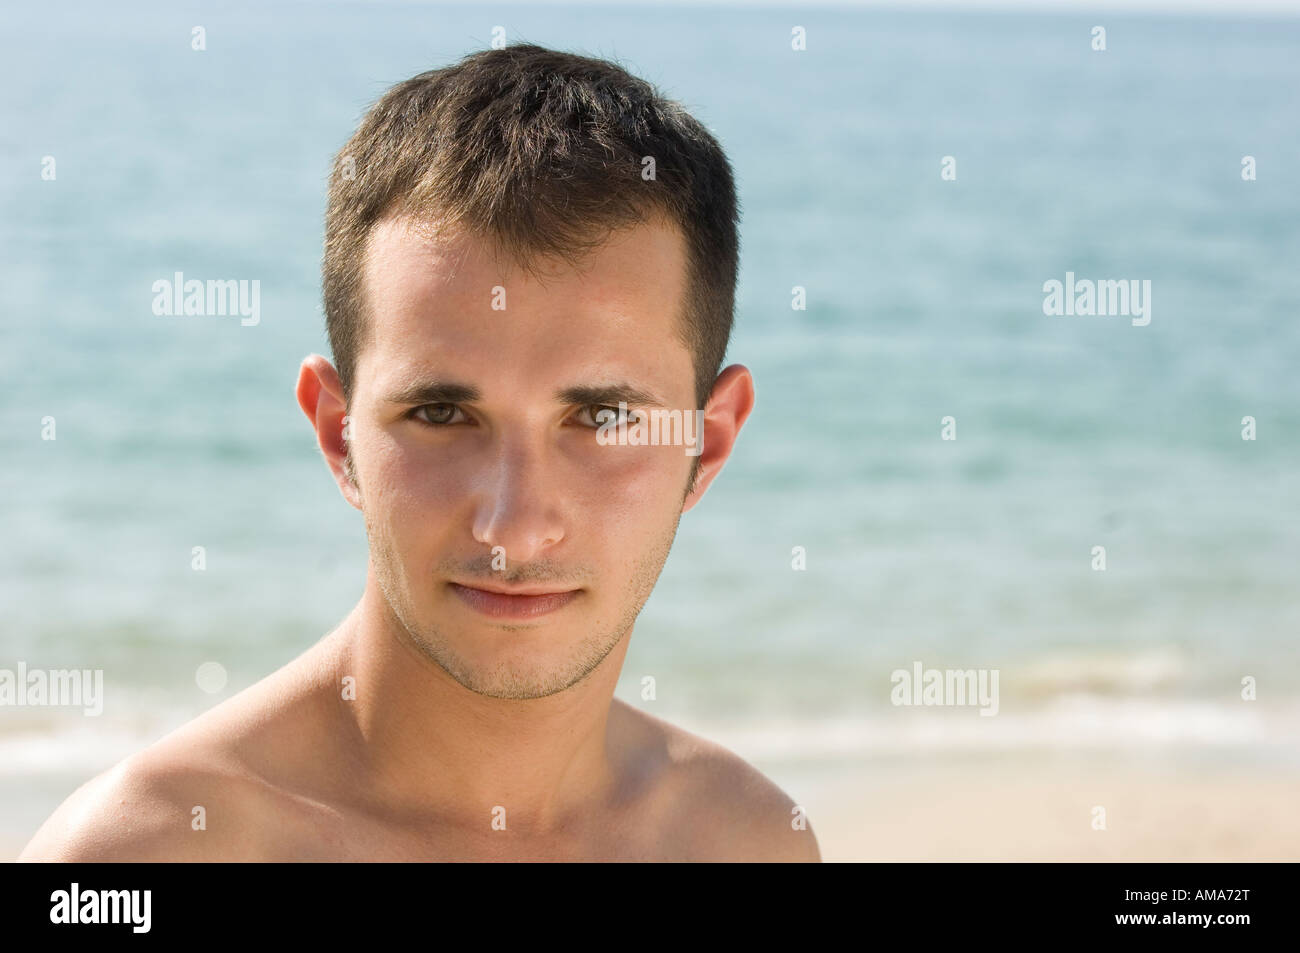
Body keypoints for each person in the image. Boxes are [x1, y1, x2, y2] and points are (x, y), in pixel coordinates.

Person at [20, 43, 820, 862]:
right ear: (339, 433)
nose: (515, 527)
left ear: (707, 439)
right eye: (441, 412)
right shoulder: (142, 857)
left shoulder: (747, 841)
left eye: (603, 417)